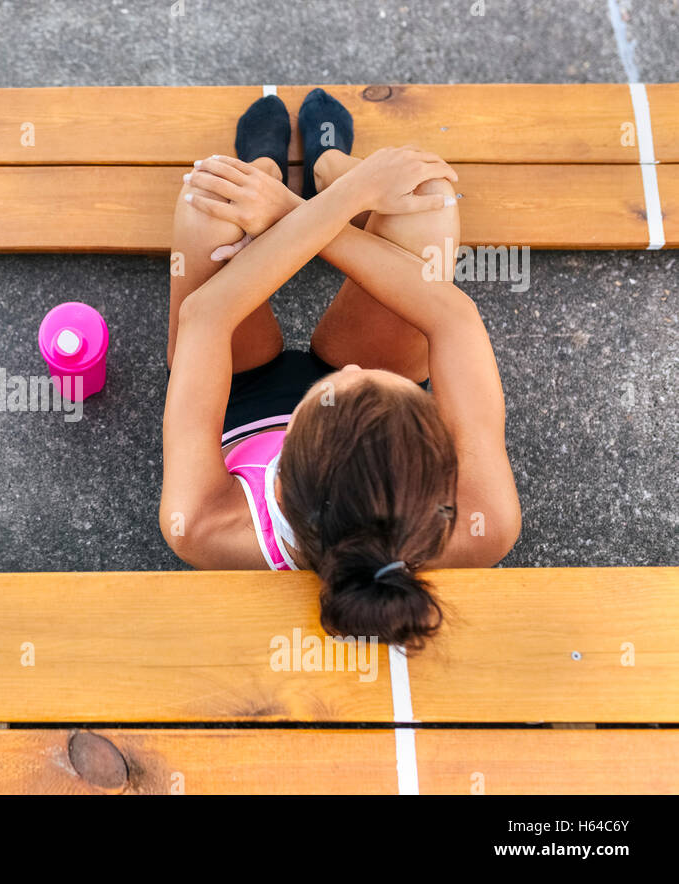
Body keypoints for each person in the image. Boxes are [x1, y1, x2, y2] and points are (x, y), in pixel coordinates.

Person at [160, 89, 520, 650]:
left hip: (239, 396)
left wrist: (297, 214)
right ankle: (328, 165)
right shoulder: (485, 525)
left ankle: (271, 169)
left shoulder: (203, 529)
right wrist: (334, 207)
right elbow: (452, 317)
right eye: (372, 380)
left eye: (335, 385)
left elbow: (204, 316)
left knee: (209, 202)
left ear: (279, 478)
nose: (350, 364)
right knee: (428, 201)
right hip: (327, 228)